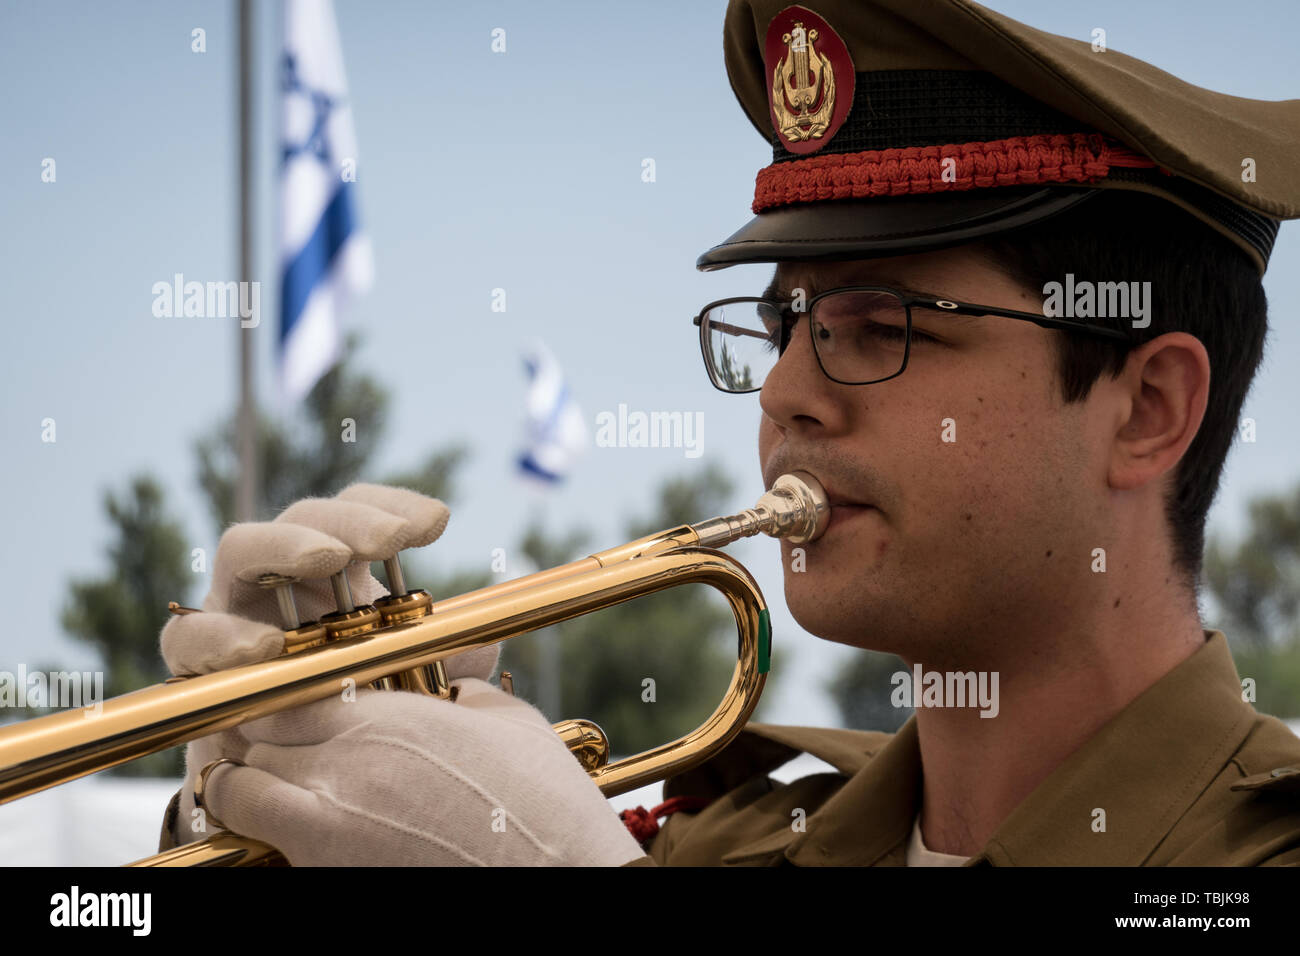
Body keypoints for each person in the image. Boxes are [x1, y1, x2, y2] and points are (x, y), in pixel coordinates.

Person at [157, 0, 1300, 866]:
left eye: (878, 324)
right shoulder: (723, 834)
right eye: (784, 320)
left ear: (1146, 409)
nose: (786, 389)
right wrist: (251, 798)